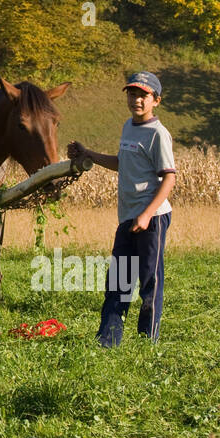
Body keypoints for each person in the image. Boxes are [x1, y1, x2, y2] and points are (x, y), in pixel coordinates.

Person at [67, 71, 176, 347]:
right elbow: (121, 163)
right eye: (132, 93)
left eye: (143, 95)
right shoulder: (128, 127)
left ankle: (146, 341)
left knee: (149, 280)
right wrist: (88, 154)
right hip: (128, 217)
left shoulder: (158, 134)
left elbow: (169, 178)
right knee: (119, 277)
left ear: (156, 100)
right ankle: (108, 339)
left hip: (153, 218)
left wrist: (147, 214)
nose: (137, 99)